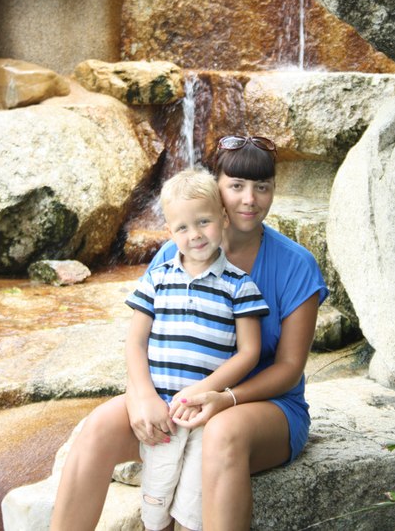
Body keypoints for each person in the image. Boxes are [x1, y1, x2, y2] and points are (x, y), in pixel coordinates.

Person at [50, 135, 328, 531]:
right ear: (217, 189)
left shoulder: (297, 265)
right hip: (178, 401)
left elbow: (288, 368)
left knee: (222, 433)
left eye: (262, 187)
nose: (249, 199)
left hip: (263, 408)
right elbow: (143, 339)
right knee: (98, 427)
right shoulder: (174, 253)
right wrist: (141, 396)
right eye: (236, 186)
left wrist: (225, 398)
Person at [125, 168, 268, 531]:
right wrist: (145, 397)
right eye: (182, 228)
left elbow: (249, 352)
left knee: (193, 509)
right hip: (162, 414)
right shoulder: (157, 278)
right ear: (169, 232)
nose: (195, 235)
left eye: (204, 221)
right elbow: (135, 342)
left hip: (206, 416)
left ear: (223, 218)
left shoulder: (240, 286)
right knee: (156, 508)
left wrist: (204, 390)